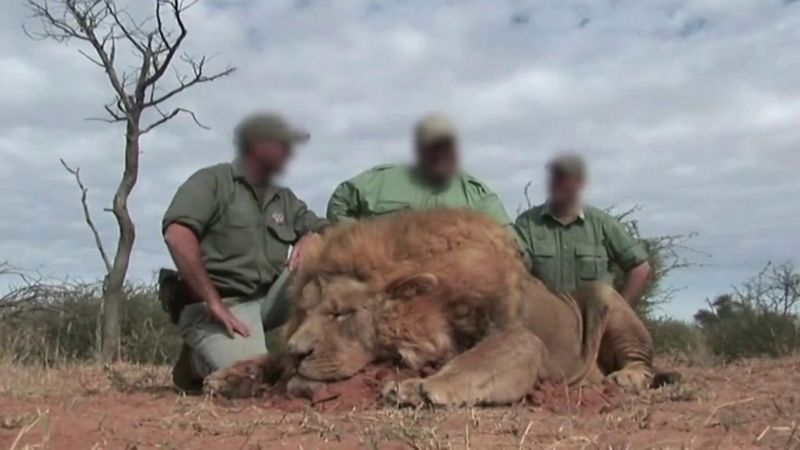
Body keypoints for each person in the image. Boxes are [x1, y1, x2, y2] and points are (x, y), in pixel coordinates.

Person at [162, 112, 327, 392]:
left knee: (321, 251)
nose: (289, 153)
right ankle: (197, 364)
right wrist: (213, 302)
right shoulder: (212, 181)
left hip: (267, 302)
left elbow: (329, 228)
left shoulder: (283, 198)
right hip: (220, 306)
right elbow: (177, 236)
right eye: (282, 145)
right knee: (253, 377)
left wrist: (313, 237)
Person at [515, 153, 652, 305]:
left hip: (595, 324)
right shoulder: (527, 223)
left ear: (580, 183)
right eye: (554, 178)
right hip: (544, 323)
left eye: (564, 178)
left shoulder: (602, 223)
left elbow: (640, 267)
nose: (557, 183)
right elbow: (512, 268)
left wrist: (621, 310)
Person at [326, 114, 511, 225]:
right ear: (420, 149)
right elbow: (340, 203)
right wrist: (364, 242)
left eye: (445, 147)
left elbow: (511, 244)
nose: (441, 155)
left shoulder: (477, 195)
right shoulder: (380, 181)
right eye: (433, 147)